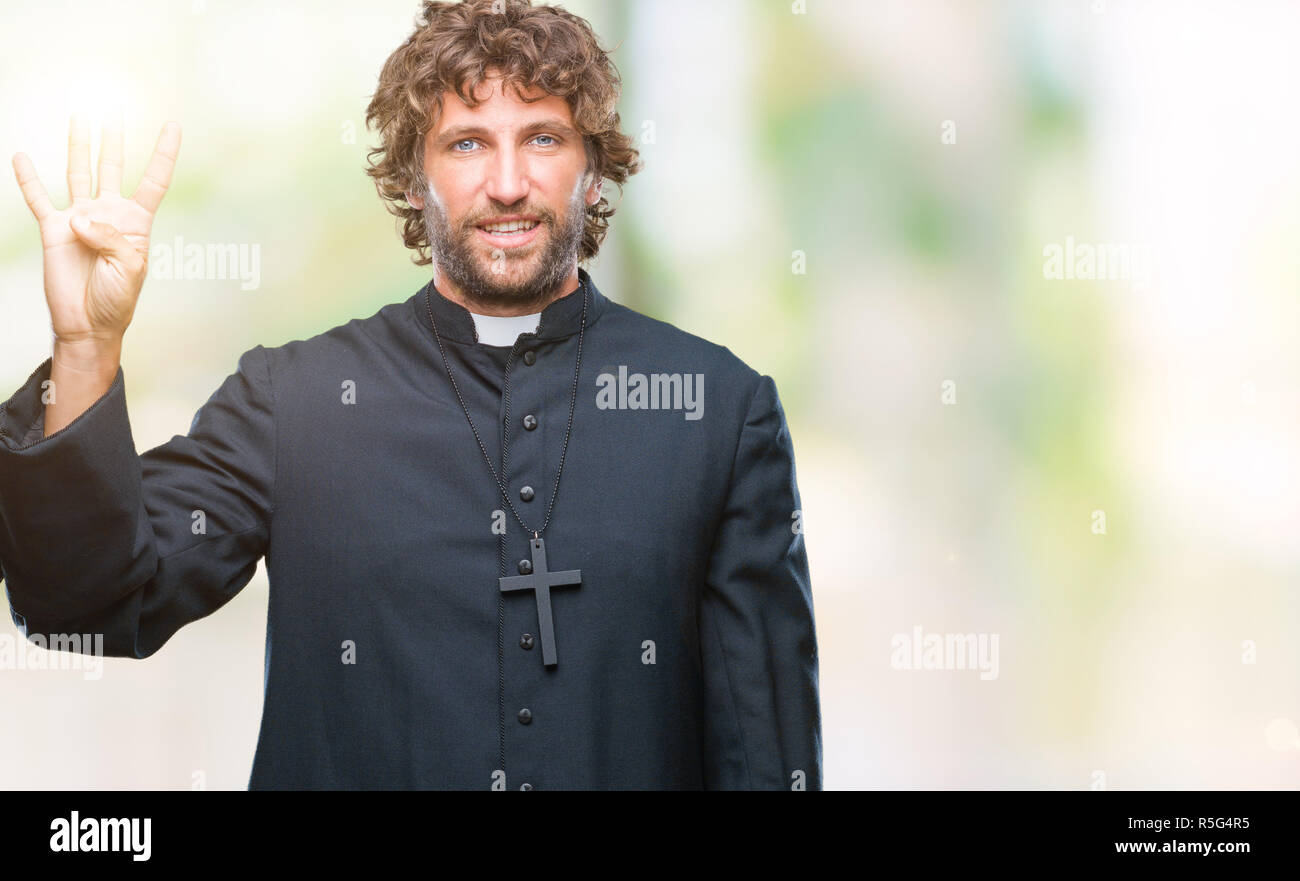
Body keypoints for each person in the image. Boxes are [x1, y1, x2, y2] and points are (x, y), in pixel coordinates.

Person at [1, 0, 821, 790]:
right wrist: (86, 346)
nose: (507, 184)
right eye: (466, 144)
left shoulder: (715, 408)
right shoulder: (294, 402)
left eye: (542, 137)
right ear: (412, 174)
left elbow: (766, 750)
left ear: (593, 165)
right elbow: (90, 599)